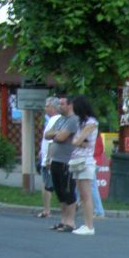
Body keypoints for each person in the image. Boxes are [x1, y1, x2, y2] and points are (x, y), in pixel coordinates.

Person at [44, 95, 80, 232]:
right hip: (56, 160)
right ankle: (63, 220)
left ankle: (70, 222)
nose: (60, 106)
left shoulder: (73, 120)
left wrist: (57, 134)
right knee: (59, 192)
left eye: (63, 104)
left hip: (67, 161)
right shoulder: (59, 120)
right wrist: (56, 133)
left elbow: (61, 137)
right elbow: (47, 135)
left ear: (70, 105)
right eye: (59, 103)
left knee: (68, 191)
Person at [68, 94, 99, 236]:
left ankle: (89, 226)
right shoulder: (81, 122)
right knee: (81, 193)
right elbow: (77, 140)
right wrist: (79, 141)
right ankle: (86, 223)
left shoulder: (91, 123)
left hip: (86, 161)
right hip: (77, 159)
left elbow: (77, 140)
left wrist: (79, 141)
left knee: (86, 194)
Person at [36, 97, 60, 219]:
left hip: (50, 157)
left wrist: (49, 157)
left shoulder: (56, 120)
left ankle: (47, 209)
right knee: (46, 182)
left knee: (48, 184)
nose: (45, 108)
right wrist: (42, 150)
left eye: (47, 106)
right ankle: (46, 208)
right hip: (46, 155)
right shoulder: (50, 119)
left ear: (54, 108)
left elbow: (52, 139)